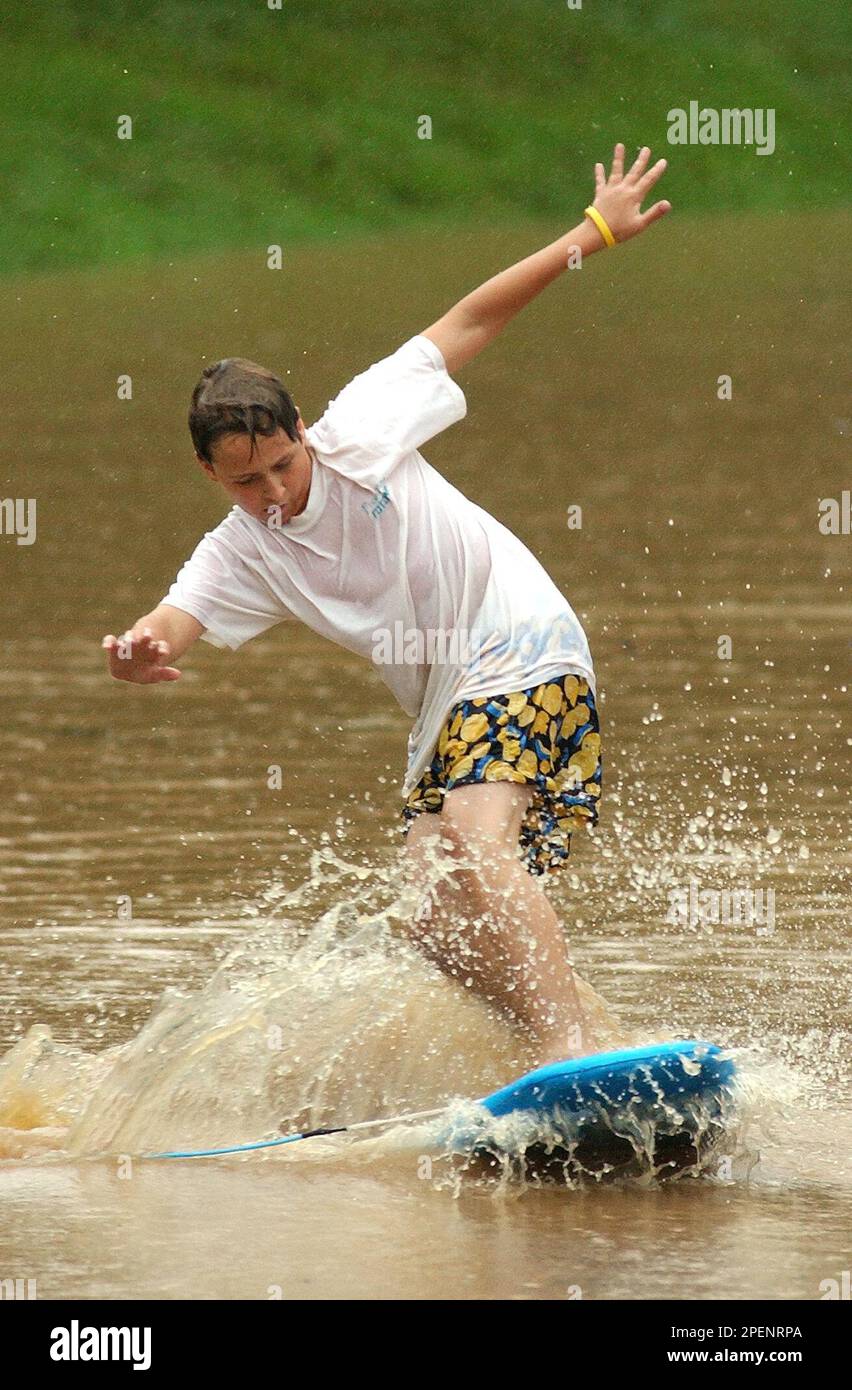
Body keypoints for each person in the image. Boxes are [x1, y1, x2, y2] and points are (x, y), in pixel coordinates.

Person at [102, 143, 670, 1065]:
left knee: (482, 846)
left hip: (520, 641)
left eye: (283, 465)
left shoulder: (362, 426)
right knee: (432, 914)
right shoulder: (239, 552)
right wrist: (135, 649)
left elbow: (472, 320)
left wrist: (594, 233)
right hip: (449, 704)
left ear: (300, 436)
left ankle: (569, 1053)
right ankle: (586, 1052)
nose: (274, 492)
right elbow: (174, 621)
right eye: (245, 483)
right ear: (209, 472)